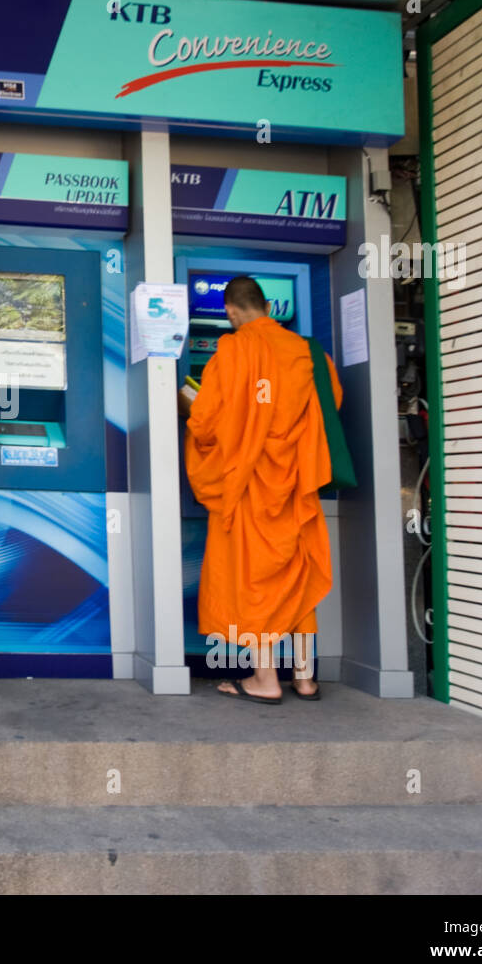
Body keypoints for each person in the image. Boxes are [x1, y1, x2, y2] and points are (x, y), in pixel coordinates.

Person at [179, 276, 342, 704]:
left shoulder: (231, 352)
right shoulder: (310, 353)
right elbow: (331, 407)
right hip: (296, 487)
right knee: (298, 576)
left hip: (249, 486)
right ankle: (305, 677)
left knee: (255, 579)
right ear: (267, 306)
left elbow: (207, 422)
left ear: (230, 312)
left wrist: (185, 405)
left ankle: (265, 680)